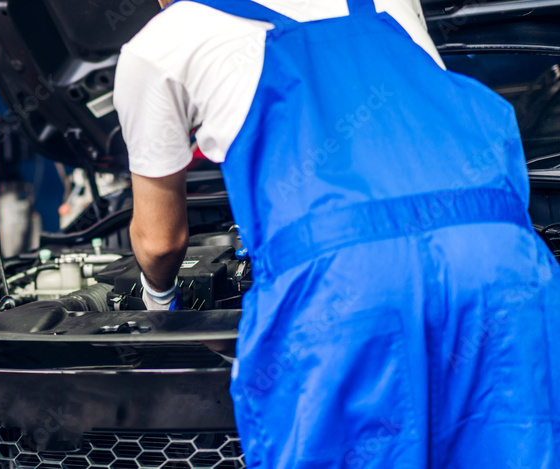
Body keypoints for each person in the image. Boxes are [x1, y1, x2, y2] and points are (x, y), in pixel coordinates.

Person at [115, 0, 560, 467]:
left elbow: (159, 241)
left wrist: (161, 305)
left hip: (345, 286)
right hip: (501, 263)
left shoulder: (162, 43)